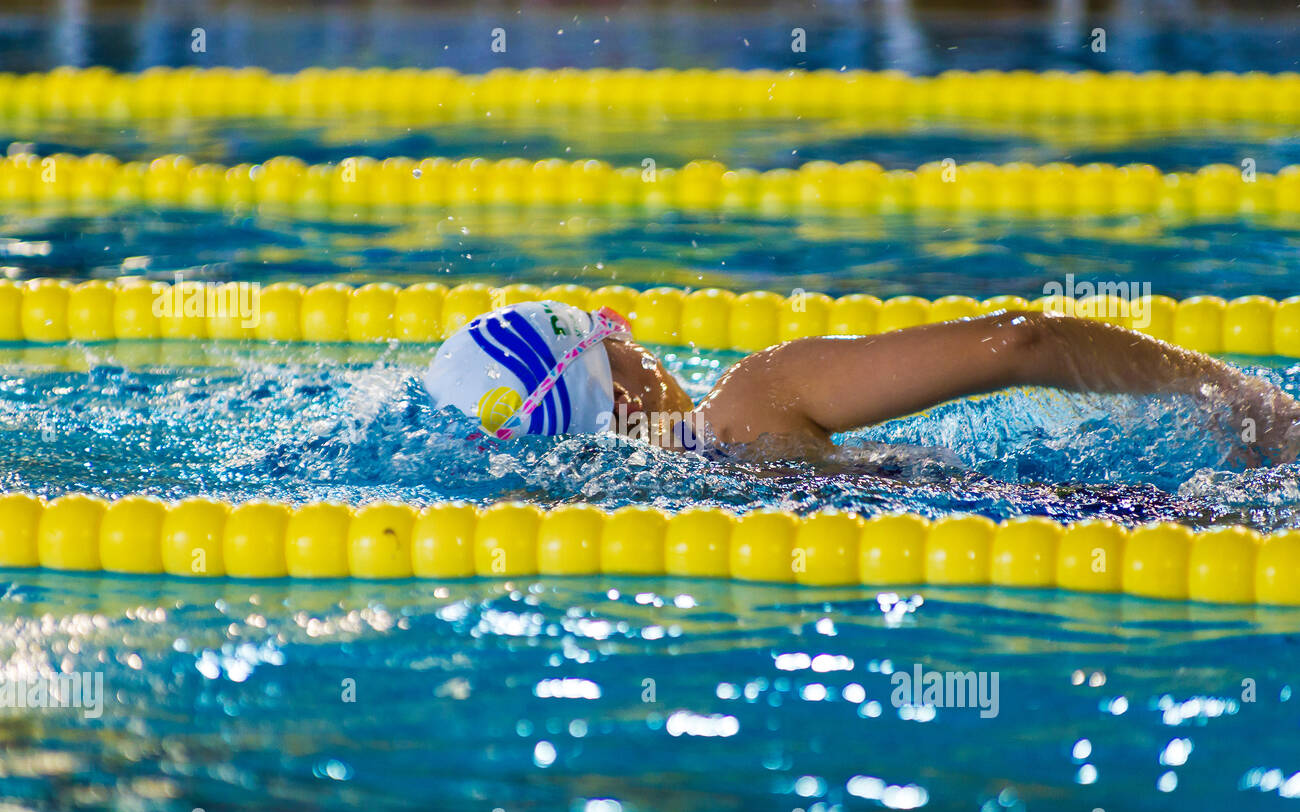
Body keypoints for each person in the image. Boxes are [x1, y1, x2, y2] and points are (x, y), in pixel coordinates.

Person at [422, 299, 1300, 466]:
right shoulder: (755, 397)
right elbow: (1022, 341)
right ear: (619, 401)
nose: (634, 337)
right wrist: (1235, 395)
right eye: (609, 336)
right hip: (1093, 510)